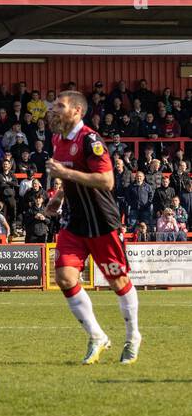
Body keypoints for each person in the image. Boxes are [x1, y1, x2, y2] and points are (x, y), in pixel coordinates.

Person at [46, 92, 141, 365]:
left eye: (59, 107)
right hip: (75, 223)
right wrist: (60, 196)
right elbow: (69, 175)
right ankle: (97, 336)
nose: (54, 111)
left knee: (118, 282)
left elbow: (106, 180)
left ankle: (133, 336)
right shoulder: (58, 140)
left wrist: (64, 175)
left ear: (76, 111)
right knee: (64, 277)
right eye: (53, 107)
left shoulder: (90, 140)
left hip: (102, 222)